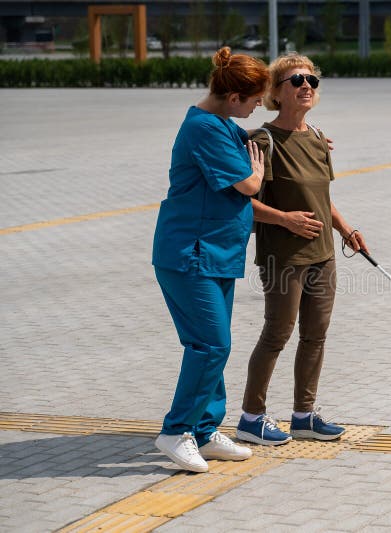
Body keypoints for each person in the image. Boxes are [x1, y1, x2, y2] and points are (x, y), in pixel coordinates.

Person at [236, 53, 368, 446]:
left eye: (311, 80)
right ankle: (251, 416)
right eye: (295, 80)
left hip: (323, 254)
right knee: (277, 332)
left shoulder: (316, 138)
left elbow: (321, 197)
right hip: (284, 256)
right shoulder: (263, 141)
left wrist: (346, 229)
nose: (306, 86)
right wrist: (285, 219)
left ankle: (304, 416)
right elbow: (244, 203)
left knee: (316, 334)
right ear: (276, 92)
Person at [151, 47, 269, 473]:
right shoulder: (205, 129)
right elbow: (249, 184)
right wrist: (253, 176)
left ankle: (204, 429)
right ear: (234, 97)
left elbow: (260, 141)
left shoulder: (221, 124)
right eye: (255, 98)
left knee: (211, 346)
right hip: (190, 254)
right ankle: (175, 430)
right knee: (210, 344)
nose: (259, 105)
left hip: (216, 253)